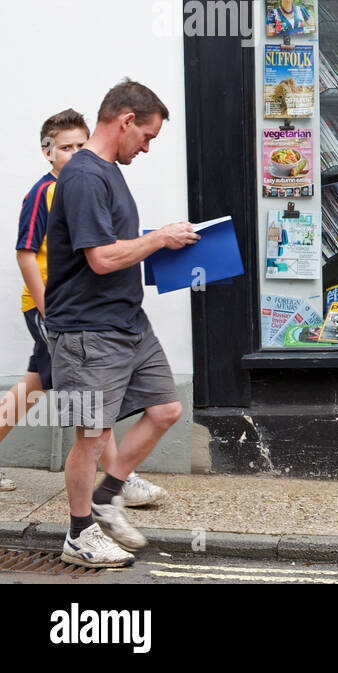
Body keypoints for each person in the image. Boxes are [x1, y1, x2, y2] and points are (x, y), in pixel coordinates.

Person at [44, 81, 198, 568]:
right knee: (91, 436)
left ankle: (108, 498)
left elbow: (116, 248)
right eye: (147, 136)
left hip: (128, 323)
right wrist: (159, 240)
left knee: (166, 409)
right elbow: (103, 259)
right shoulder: (85, 176)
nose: (148, 148)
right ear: (125, 120)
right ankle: (78, 533)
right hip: (88, 331)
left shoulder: (108, 171)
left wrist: (164, 244)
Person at [1, 110, 168, 507]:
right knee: (85, 401)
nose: (75, 154)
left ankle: (115, 479)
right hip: (53, 310)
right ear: (48, 153)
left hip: (68, 311)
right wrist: (47, 309)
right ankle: (116, 483)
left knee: (36, 388)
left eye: (80, 145)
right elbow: (26, 254)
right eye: (65, 148)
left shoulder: (87, 183)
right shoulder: (44, 192)